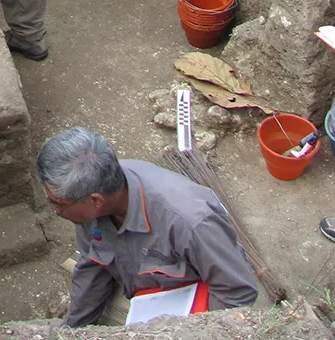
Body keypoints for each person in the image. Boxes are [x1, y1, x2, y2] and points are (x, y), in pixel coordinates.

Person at [36, 128, 259, 328]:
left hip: (194, 308)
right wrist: (72, 332)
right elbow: (93, 266)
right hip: (142, 299)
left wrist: (189, 331)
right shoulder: (92, 198)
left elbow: (236, 293)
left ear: (95, 201)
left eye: (58, 204)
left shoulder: (191, 221)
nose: (54, 210)